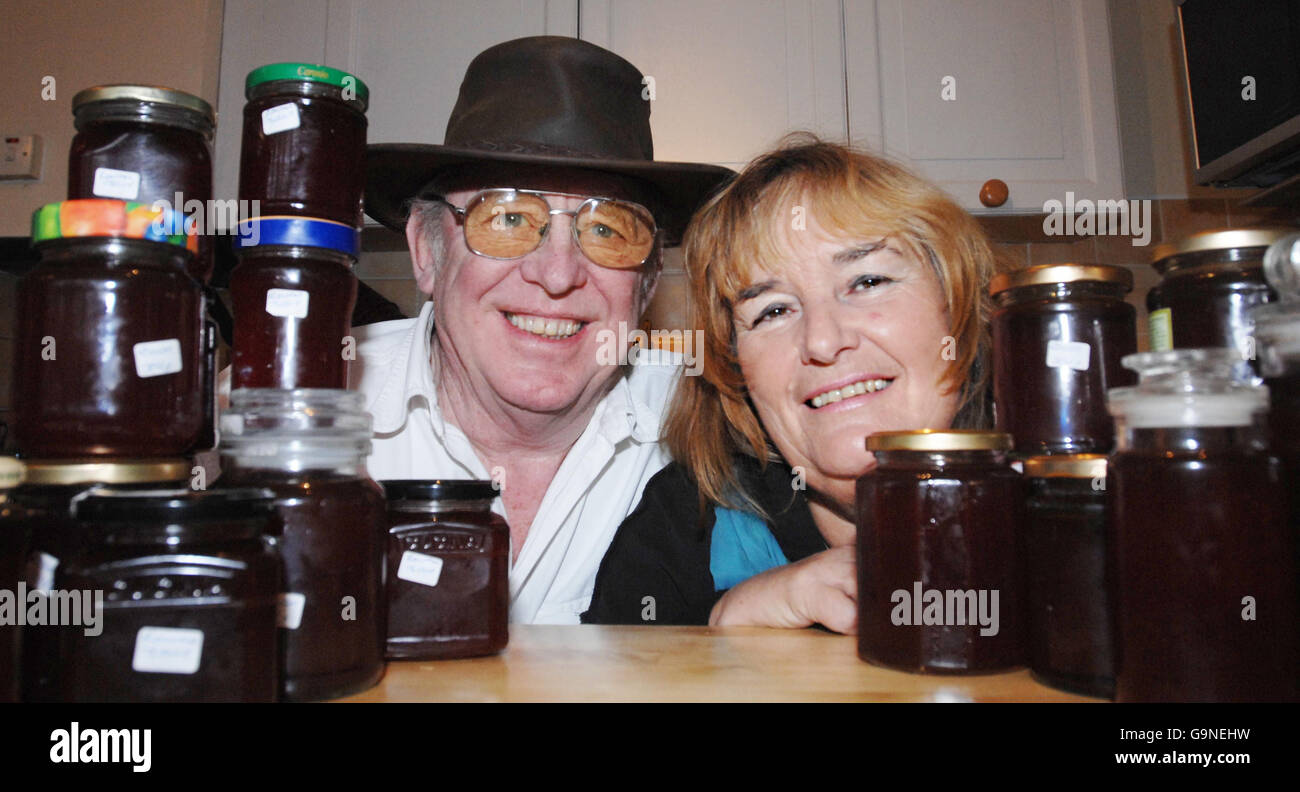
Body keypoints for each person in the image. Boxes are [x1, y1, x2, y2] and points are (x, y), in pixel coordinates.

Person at [352, 37, 733, 624]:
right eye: (507, 217)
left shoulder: (715, 426)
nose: (557, 275)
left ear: (649, 279)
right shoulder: (293, 406)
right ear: (426, 251)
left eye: (607, 230)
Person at [583, 135, 1007, 631]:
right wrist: (722, 629)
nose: (822, 341)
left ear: (958, 307)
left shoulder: (1064, 499)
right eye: (773, 311)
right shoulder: (687, 523)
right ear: (736, 367)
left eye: (868, 281)